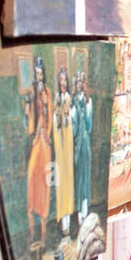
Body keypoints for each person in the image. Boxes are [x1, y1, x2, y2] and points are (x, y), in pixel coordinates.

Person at [23, 57, 53, 260]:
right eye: (36, 74)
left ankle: (43, 234)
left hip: (45, 144)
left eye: (41, 73)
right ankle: (33, 235)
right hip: (37, 143)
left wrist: (45, 104)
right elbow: (31, 125)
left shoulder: (47, 94)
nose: (39, 76)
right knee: (31, 184)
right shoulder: (34, 95)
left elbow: (50, 117)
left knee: (44, 184)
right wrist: (29, 110)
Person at [53, 66, 75, 232]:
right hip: (59, 146)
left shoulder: (68, 99)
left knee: (67, 180)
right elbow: (55, 120)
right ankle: (61, 221)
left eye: (64, 80)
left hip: (67, 146)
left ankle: (67, 221)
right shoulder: (56, 99)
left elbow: (70, 121)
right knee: (59, 180)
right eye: (60, 80)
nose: (62, 83)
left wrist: (67, 116)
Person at [72, 71, 93, 222]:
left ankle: (85, 213)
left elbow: (89, 126)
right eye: (78, 82)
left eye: (82, 82)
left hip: (85, 143)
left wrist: (86, 107)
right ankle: (79, 213)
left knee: (85, 177)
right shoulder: (72, 101)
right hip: (76, 145)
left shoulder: (87, 101)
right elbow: (72, 128)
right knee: (78, 178)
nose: (80, 84)